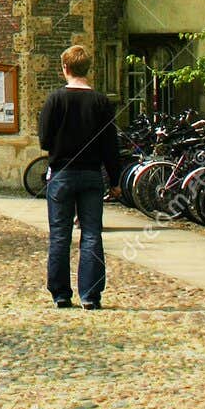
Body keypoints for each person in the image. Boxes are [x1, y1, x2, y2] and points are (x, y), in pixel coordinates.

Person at [38, 43, 122, 311]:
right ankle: (90, 295)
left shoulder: (55, 100)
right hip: (90, 175)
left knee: (60, 235)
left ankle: (61, 293)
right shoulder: (101, 102)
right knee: (91, 235)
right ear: (88, 68)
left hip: (62, 174)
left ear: (65, 68)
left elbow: (44, 139)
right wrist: (116, 179)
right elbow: (111, 145)